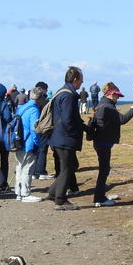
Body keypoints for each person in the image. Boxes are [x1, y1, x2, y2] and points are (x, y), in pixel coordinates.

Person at [90, 82, 133, 207]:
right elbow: (122, 119)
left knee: (104, 170)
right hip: (103, 142)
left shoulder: (101, 104)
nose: (117, 98)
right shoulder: (108, 106)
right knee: (104, 170)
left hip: (101, 141)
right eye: (117, 96)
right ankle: (99, 198)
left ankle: (100, 196)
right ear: (111, 94)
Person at [46, 66, 86, 211]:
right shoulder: (69, 95)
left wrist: (85, 128)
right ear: (75, 80)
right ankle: (61, 200)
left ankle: (53, 192)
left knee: (71, 166)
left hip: (58, 136)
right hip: (64, 138)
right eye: (81, 80)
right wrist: (75, 133)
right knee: (67, 169)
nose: (82, 83)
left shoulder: (61, 92)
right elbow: (68, 119)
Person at [13, 87, 44, 202]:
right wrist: (38, 143)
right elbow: (34, 129)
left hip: (18, 141)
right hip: (28, 143)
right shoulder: (34, 110)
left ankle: (18, 192)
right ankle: (25, 193)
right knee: (27, 168)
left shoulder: (22, 107)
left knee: (20, 167)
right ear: (39, 98)